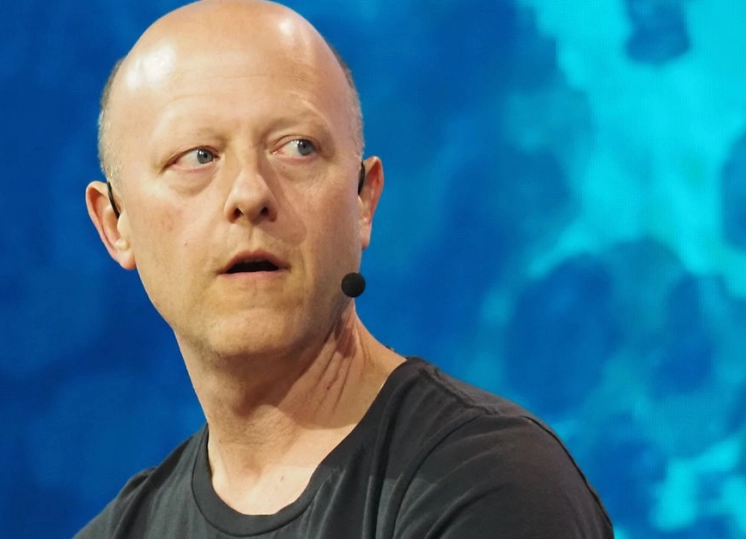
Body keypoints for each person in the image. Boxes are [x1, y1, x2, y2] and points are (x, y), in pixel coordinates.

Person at [79, 0, 613, 537]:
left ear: (363, 200)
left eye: (298, 148)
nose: (250, 193)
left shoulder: (490, 483)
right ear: (115, 223)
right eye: (198, 156)